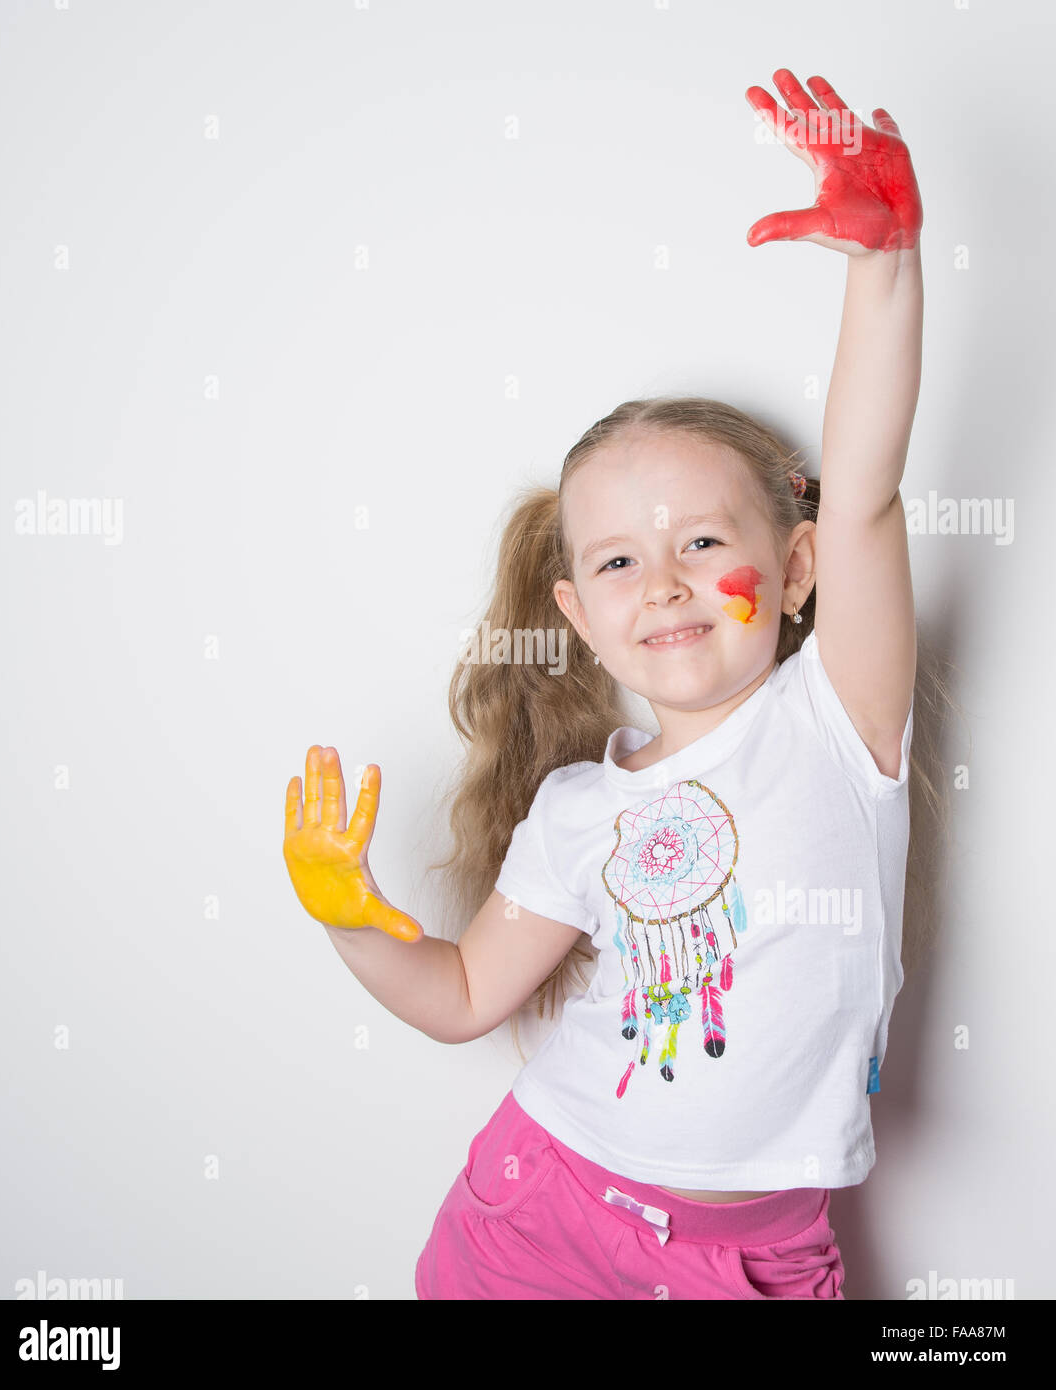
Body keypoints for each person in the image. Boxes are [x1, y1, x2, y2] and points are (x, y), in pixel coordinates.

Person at [283, 69, 940, 1299]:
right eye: (622, 561)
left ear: (796, 570)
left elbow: (863, 488)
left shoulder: (838, 720)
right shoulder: (578, 811)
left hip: (756, 1256)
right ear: (579, 619)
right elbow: (467, 992)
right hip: (538, 1213)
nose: (666, 582)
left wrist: (885, 263)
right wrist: (347, 914)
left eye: (704, 542)